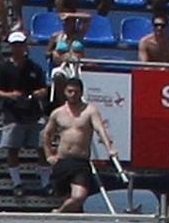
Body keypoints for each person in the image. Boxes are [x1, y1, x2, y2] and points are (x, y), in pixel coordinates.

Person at [42, 75, 115, 212]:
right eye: (70, 91)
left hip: (80, 161)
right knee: (70, 200)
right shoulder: (57, 113)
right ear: (65, 92)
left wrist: (110, 148)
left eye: (76, 91)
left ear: (81, 92)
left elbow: (100, 130)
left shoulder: (89, 111)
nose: (73, 94)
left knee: (79, 196)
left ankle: (58, 213)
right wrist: (48, 155)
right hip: (62, 160)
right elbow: (46, 134)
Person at [0, 31, 45, 195]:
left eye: (20, 45)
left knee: (42, 148)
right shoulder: (4, 69)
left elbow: (43, 88)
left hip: (32, 112)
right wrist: (10, 96)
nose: (18, 48)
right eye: (15, 45)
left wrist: (38, 94)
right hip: (13, 114)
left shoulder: (34, 67)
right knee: (12, 149)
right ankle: (17, 183)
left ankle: (45, 182)